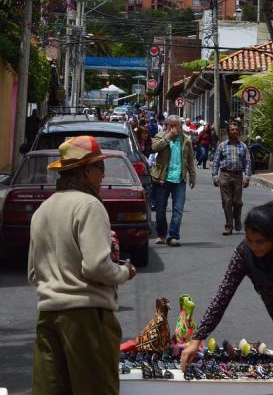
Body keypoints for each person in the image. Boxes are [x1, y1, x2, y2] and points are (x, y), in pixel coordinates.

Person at [180, 201, 273, 391]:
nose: (254, 247)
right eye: (249, 240)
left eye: (260, 241)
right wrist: (197, 339)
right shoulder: (243, 255)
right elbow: (223, 295)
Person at [28, 135, 136, 394]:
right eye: (100, 168)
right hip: (86, 318)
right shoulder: (89, 205)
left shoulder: (43, 209)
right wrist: (124, 272)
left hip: (48, 315)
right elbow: (97, 267)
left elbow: (33, 273)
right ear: (87, 171)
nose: (102, 176)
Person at [151, 114, 197, 246]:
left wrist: (192, 176)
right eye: (169, 125)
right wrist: (169, 136)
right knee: (160, 211)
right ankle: (161, 234)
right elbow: (154, 148)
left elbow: (190, 160)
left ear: (180, 126)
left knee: (178, 209)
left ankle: (173, 236)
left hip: (179, 180)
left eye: (175, 125)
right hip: (162, 179)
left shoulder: (186, 140)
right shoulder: (161, 136)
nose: (172, 128)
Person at [212, 121, 253, 235]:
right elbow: (216, 161)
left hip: (238, 176)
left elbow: (248, 162)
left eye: (236, 130)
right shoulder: (222, 145)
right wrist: (215, 176)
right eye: (232, 130)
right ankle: (228, 226)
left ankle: (237, 220)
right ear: (228, 132)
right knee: (227, 201)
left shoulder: (243, 146)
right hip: (225, 175)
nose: (234, 131)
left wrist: (247, 177)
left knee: (237, 202)